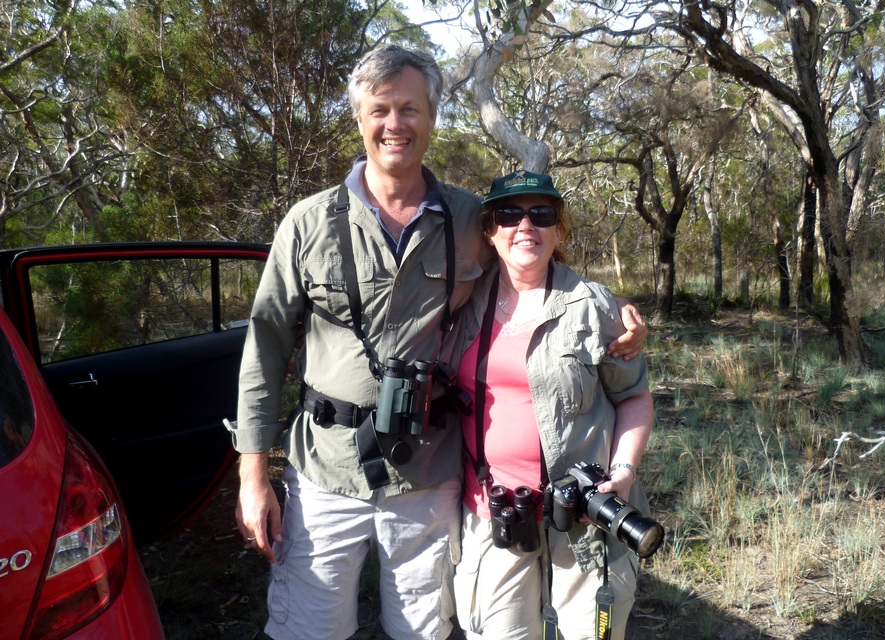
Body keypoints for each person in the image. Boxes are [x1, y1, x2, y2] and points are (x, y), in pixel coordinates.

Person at [227, 46, 648, 640]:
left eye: (410, 108)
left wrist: (615, 317)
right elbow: (265, 353)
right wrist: (253, 478)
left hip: (427, 474)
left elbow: (535, 257)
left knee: (424, 631)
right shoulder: (308, 222)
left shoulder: (470, 219)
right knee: (308, 629)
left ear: (431, 118)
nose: (394, 124)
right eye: (379, 109)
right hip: (324, 471)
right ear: (358, 118)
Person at [449, 170, 656, 640]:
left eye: (541, 214)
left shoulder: (595, 305)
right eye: (509, 214)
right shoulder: (462, 302)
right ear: (489, 231)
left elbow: (635, 397)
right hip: (494, 511)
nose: (526, 226)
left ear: (559, 230)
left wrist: (622, 473)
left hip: (585, 518)